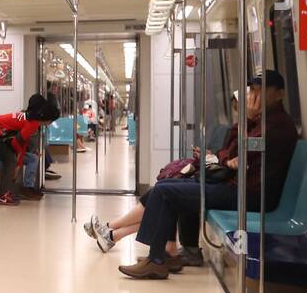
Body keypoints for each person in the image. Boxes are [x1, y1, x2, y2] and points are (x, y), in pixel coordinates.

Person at [119, 71, 298, 279]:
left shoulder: (276, 126)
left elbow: (239, 154)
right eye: (253, 90)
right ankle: (162, 255)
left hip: (249, 194)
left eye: (262, 90)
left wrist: (245, 121)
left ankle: (156, 260)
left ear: (279, 94)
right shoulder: (261, 122)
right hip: (238, 185)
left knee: (165, 191)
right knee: (168, 186)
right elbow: (228, 153)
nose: (255, 96)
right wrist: (235, 142)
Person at [85, 94, 240, 253]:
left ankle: (111, 231)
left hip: (227, 186)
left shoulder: (247, 132)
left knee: (164, 194)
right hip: (220, 180)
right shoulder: (237, 129)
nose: (237, 112)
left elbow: (231, 162)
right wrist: (213, 156)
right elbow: (225, 157)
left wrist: (218, 158)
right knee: (161, 190)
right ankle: (112, 234)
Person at [0, 94, 55, 205]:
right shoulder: (33, 123)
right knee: (10, 159)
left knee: (12, 159)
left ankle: (6, 193)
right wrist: (18, 162)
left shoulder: (31, 119)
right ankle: (2, 196)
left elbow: (22, 143)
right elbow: (17, 143)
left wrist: (19, 162)